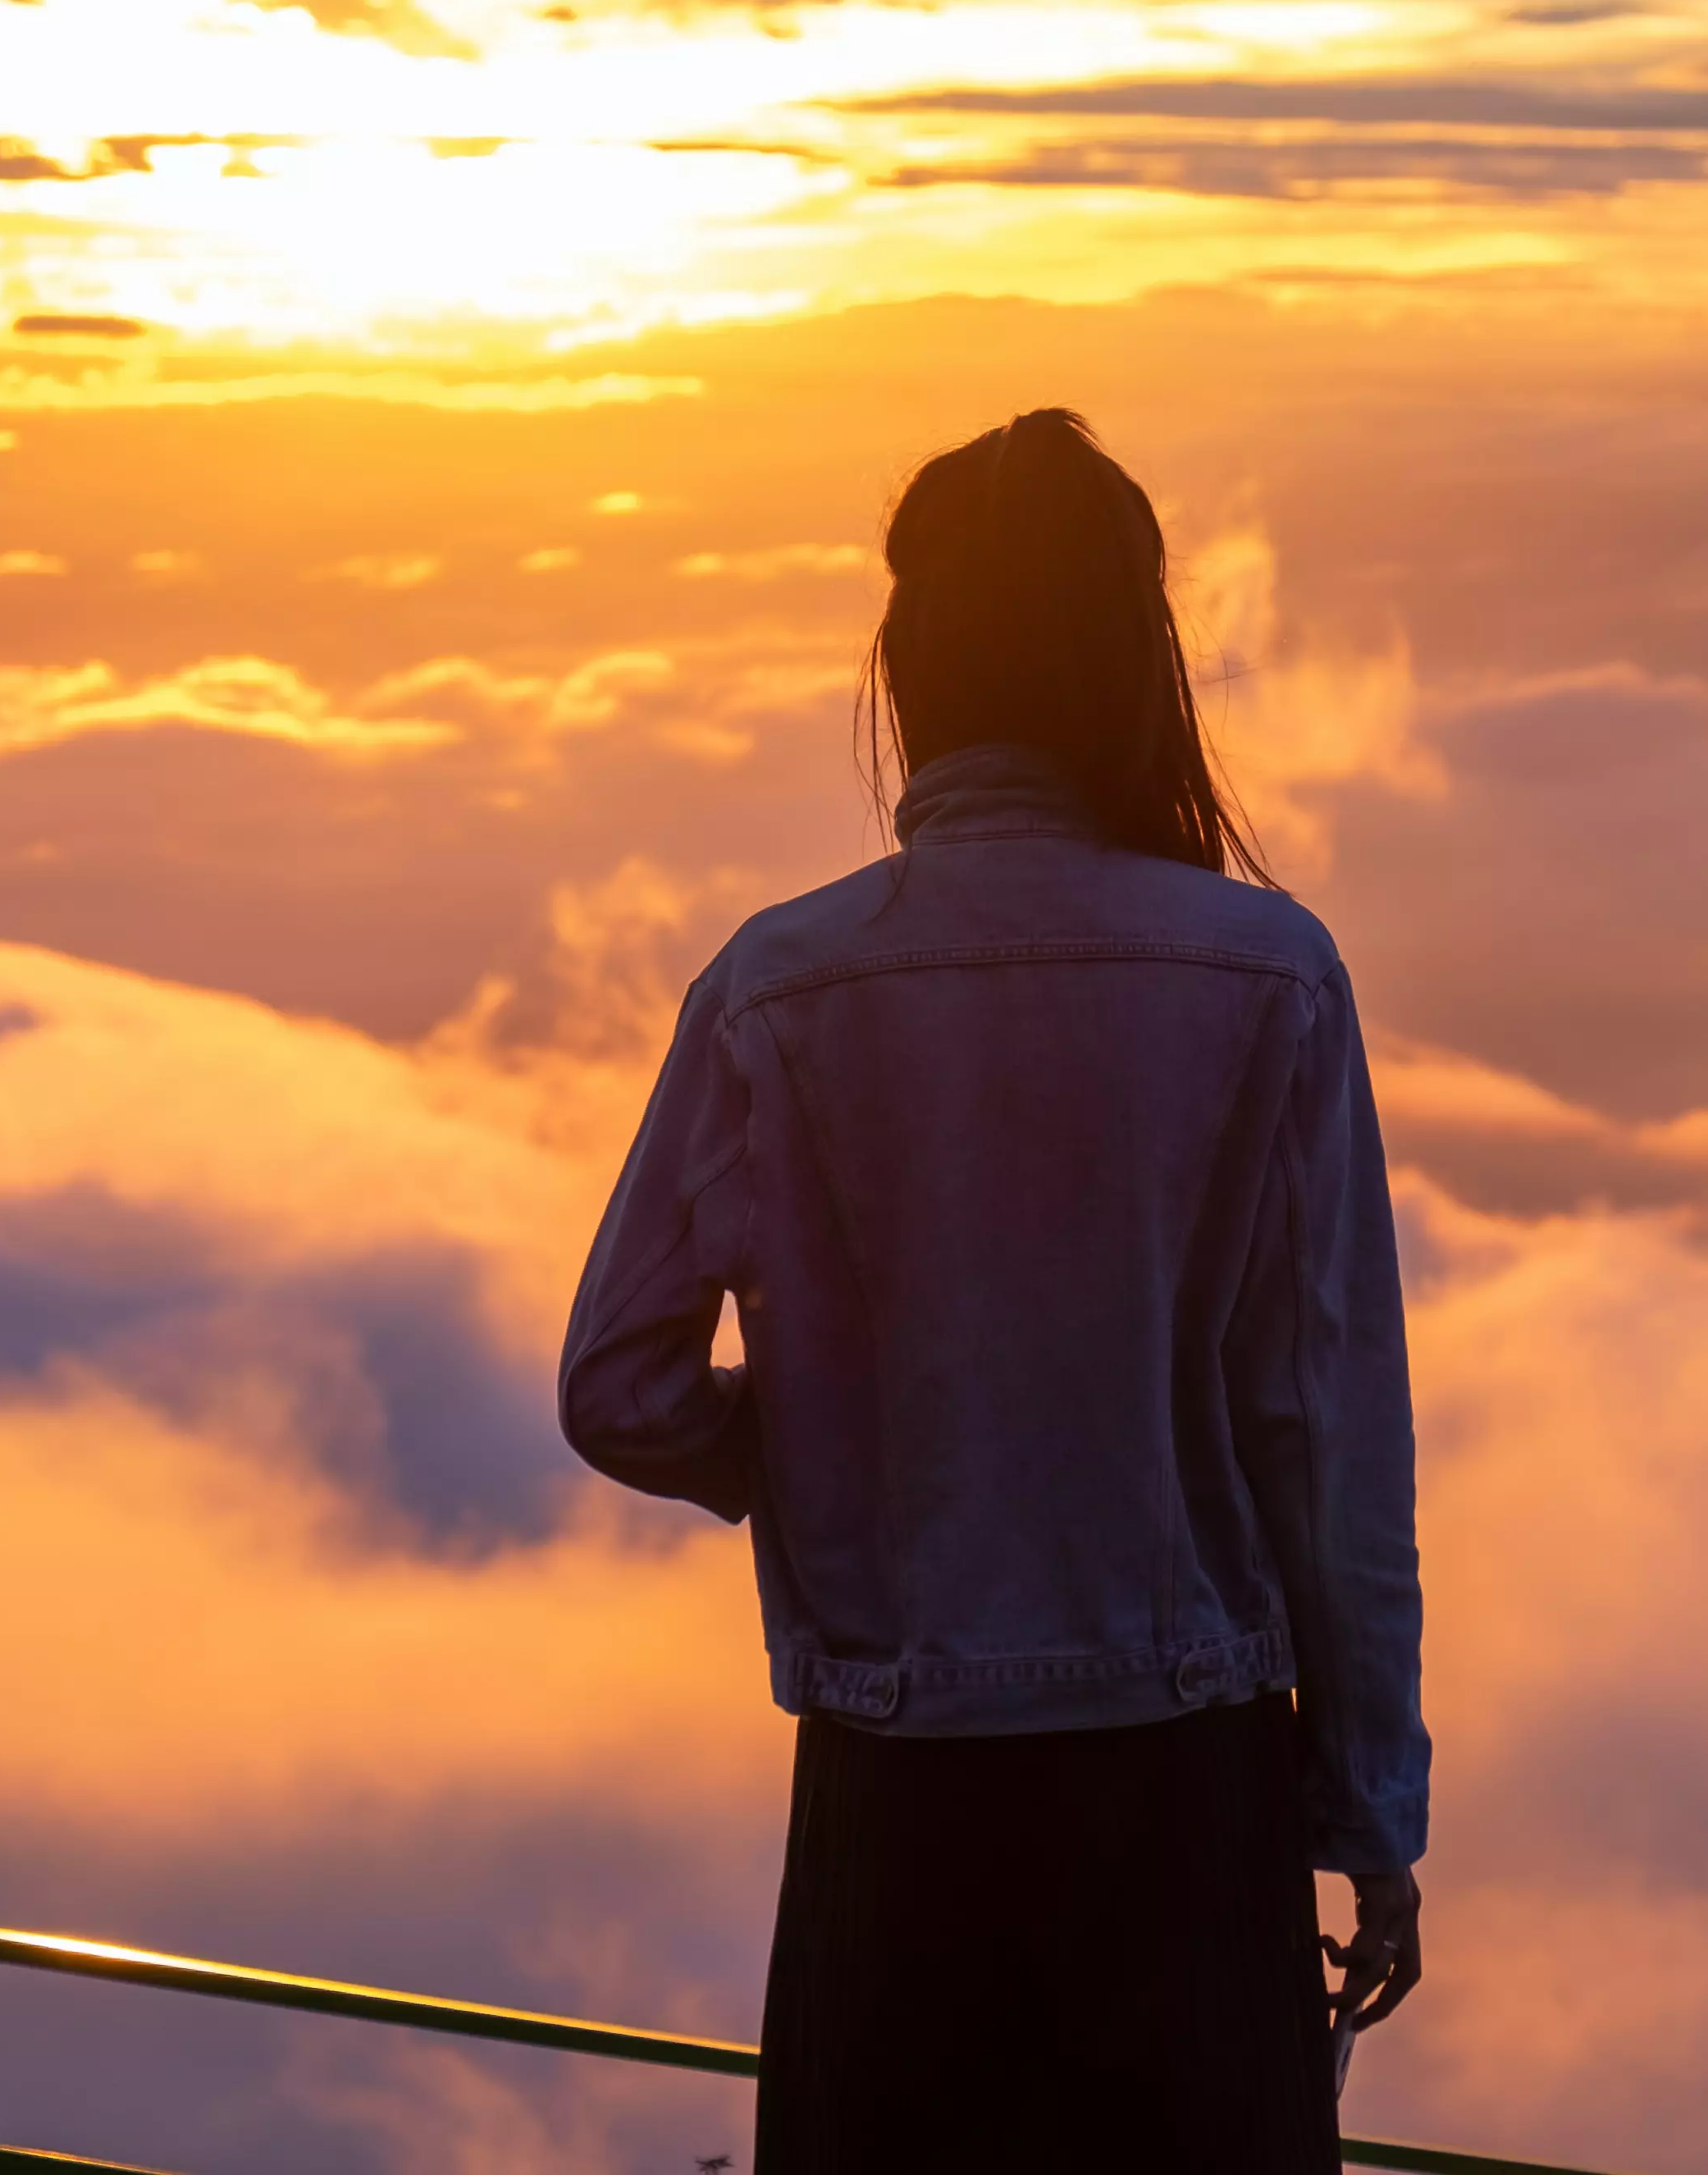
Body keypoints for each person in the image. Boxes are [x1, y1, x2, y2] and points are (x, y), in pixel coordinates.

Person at [558, 408, 1429, 2173]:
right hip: (1187, 1805)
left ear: (908, 666)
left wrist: (815, 1443)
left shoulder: (777, 988)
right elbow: (1322, 1436)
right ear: (1137, 662)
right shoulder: (1268, 975)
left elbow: (620, 1384)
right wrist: (1365, 1811)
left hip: (899, 1808)